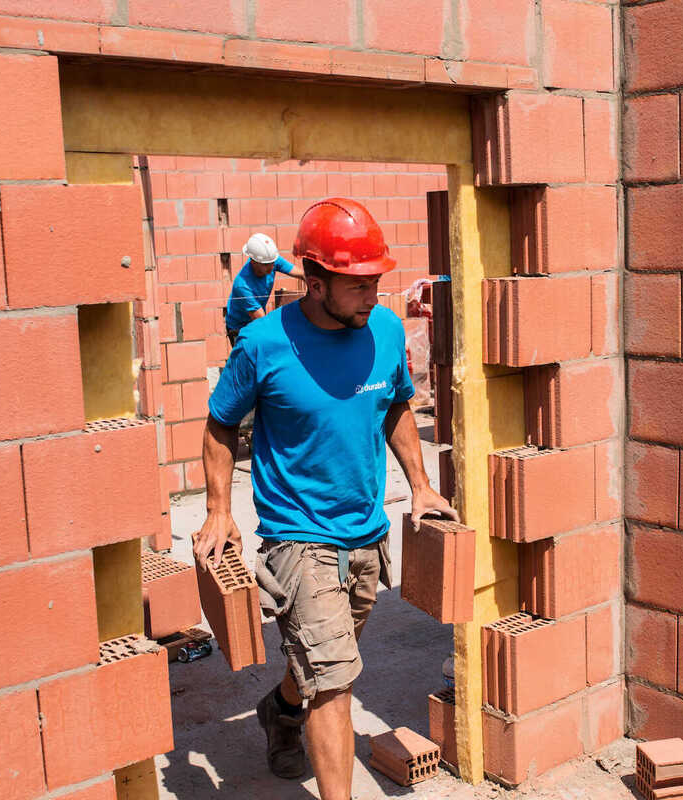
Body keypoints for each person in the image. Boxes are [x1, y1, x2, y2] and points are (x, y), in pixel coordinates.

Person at [193, 198, 456, 800]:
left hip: (365, 532)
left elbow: (395, 405)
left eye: (377, 282)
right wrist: (217, 508)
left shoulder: (385, 331)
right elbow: (218, 424)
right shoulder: (262, 343)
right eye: (358, 284)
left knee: (320, 662)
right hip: (298, 536)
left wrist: (419, 486)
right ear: (313, 282)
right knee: (335, 682)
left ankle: (280, 711)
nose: (373, 295)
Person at [225, 232, 302, 347]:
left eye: (272, 263)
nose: (272, 267)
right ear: (253, 261)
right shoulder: (242, 285)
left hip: (257, 321)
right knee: (249, 360)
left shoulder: (269, 260)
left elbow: (301, 274)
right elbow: (262, 320)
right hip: (239, 328)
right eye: (266, 265)